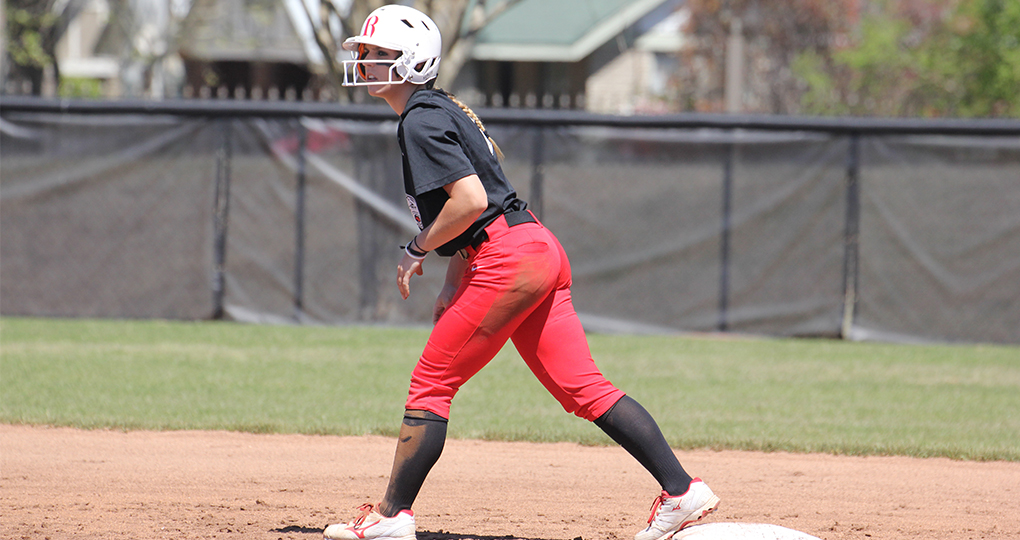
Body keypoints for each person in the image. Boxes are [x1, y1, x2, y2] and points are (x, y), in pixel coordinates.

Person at [322, 6, 719, 540]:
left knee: (431, 383)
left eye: (378, 54)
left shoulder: (419, 118)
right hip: (533, 246)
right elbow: (482, 205)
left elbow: (469, 200)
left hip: (508, 258)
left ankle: (392, 518)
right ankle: (682, 491)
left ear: (413, 61)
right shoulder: (441, 108)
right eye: (365, 54)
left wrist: (417, 248)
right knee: (585, 390)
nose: (365, 62)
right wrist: (452, 278)